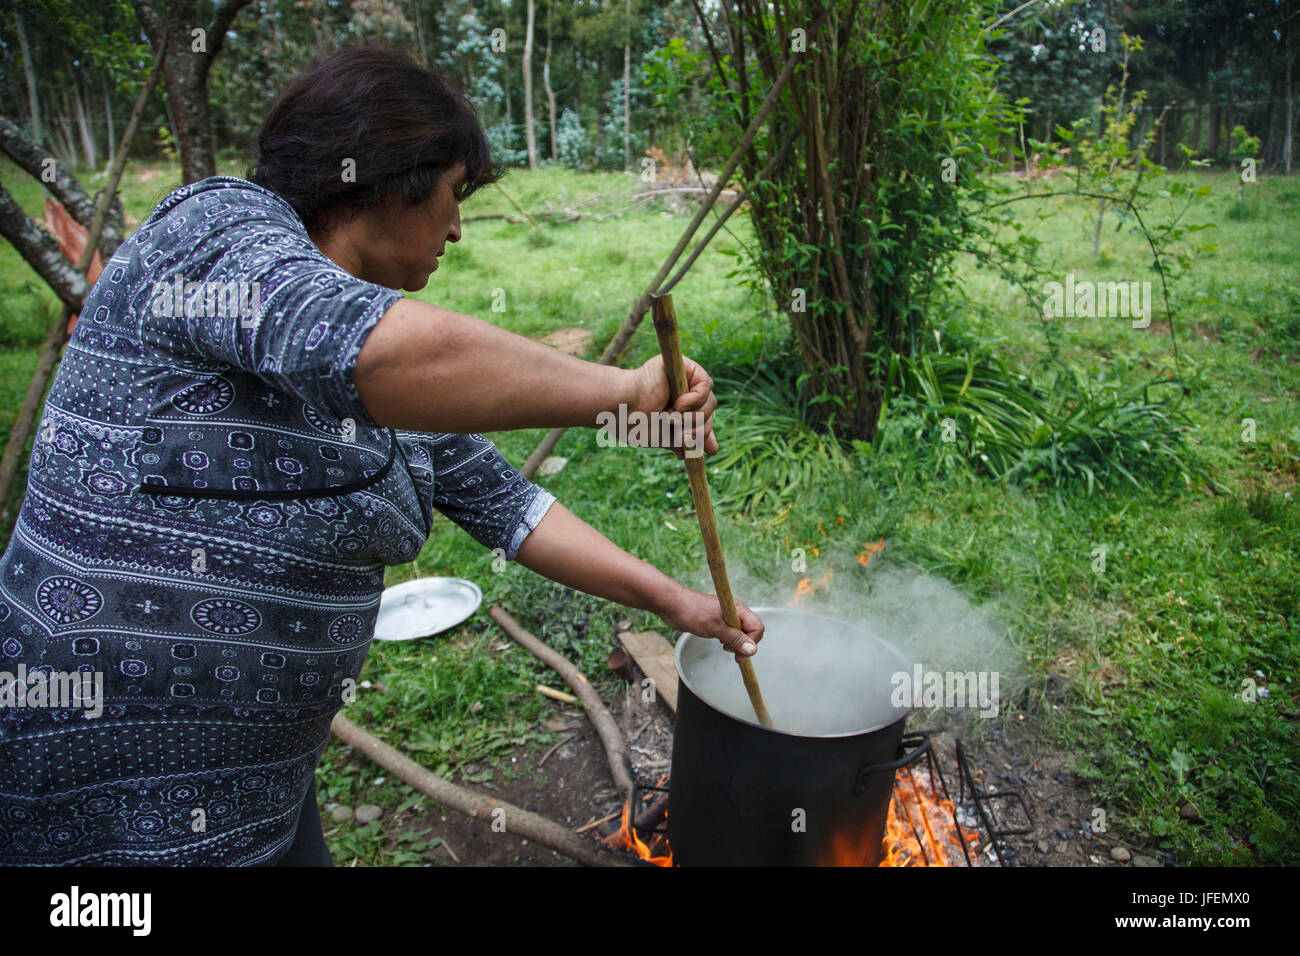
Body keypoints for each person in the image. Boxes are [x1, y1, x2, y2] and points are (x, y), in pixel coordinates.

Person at [0, 46, 763, 866]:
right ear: (387, 173)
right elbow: (365, 350)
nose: (460, 225)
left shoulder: (390, 383)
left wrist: (674, 601)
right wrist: (625, 392)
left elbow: (509, 507)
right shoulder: (214, 229)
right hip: (100, 789)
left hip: (259, 790)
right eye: (454, 194)